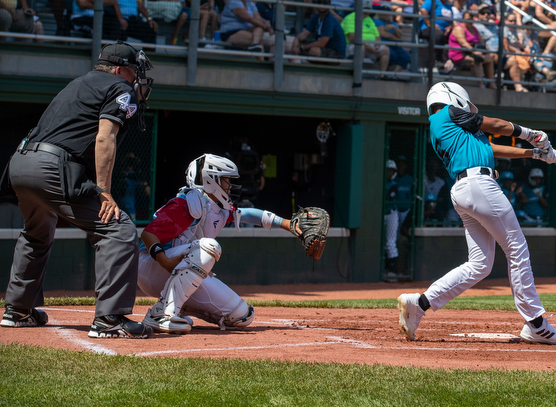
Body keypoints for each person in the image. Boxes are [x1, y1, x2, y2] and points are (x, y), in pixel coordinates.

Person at [2, 42, 154, 339]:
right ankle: (110, 320)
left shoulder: (78, 83)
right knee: (118, 229)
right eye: (134, 71)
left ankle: (18, 310)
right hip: (51, 167)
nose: (137, 78)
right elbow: (105, 137)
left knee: (36, 233)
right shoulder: (119, 87)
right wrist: (104, 191)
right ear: (119, 69)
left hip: (20, 163)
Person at [397, 82, 556, 345]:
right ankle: (535, 323)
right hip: (478, 185)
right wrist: (530, 134)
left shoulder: (453, 129)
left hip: (465, 189)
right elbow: (495, 125)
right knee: (516, 248)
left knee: (480, 264)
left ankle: (420, 303)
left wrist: (535, 154)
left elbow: (491, 148)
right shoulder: (447, 113)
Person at [138, 154, 327, 333]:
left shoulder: (215, 209)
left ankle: (177, 308)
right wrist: (164, 260)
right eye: (226, 180)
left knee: (241, 315)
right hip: (151, 266)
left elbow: (248, 215)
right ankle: (161, 313)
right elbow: (148, 235)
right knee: (208, 247)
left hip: (176, 269)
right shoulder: (187, 203)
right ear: (210, 180)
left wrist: (289, 225)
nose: (230, 185)